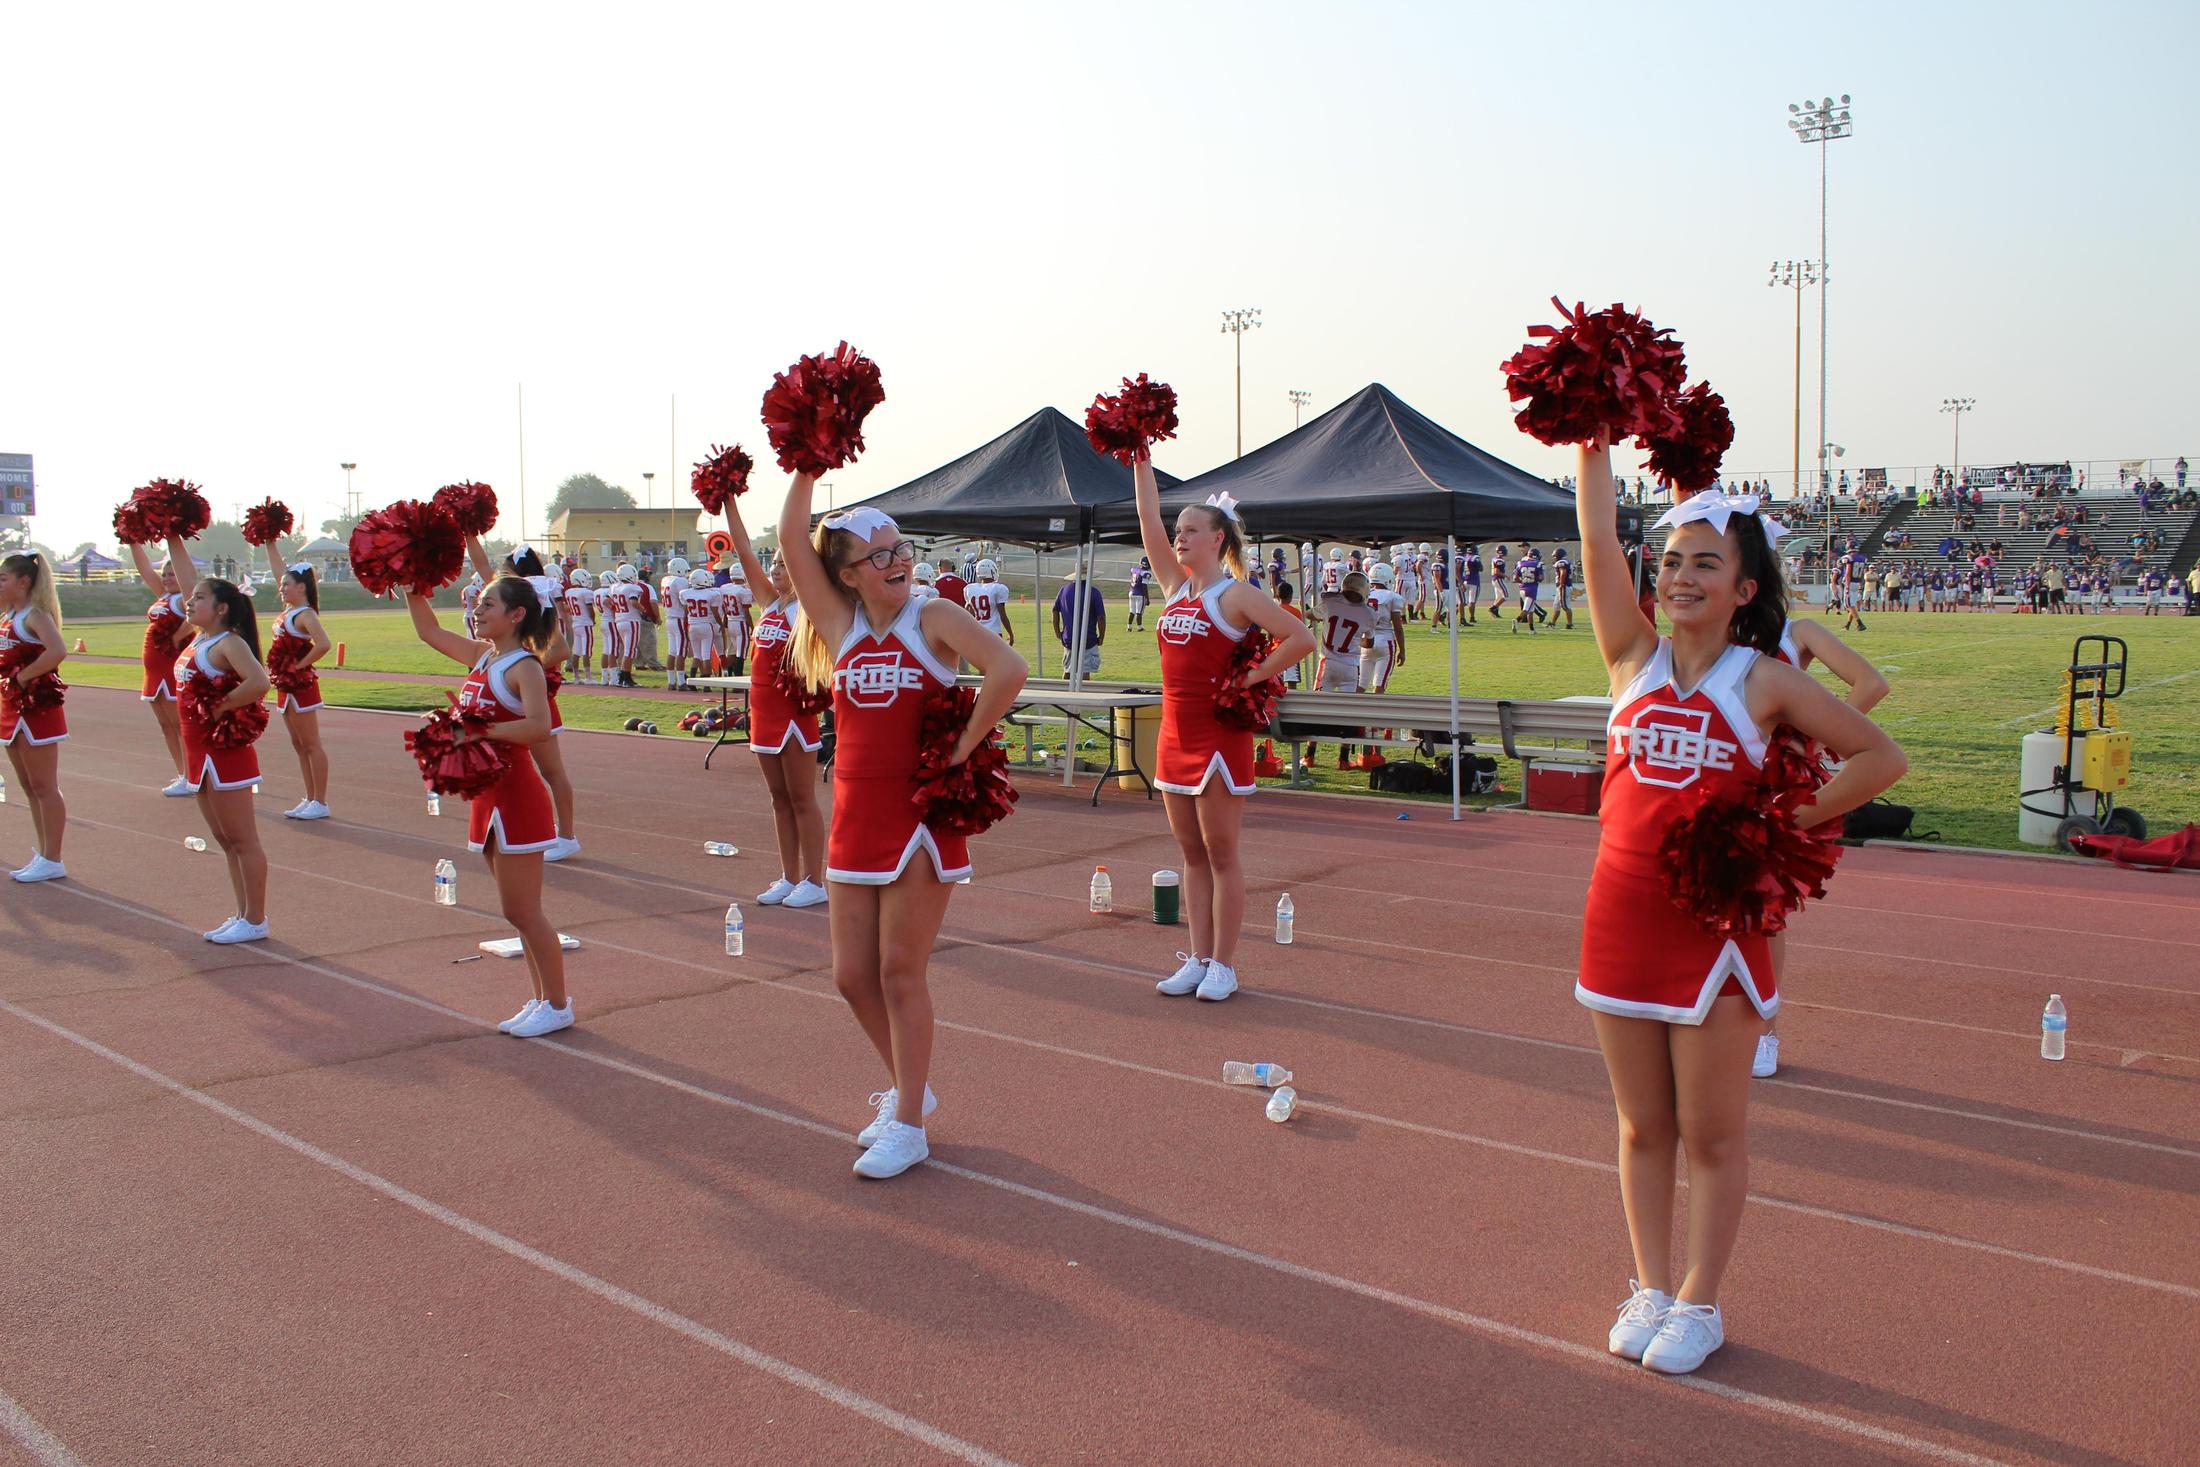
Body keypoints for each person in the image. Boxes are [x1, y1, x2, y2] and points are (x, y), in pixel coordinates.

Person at [1575, 443, 1905, 1376]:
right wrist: (1592, 442)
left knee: (1711, 1130)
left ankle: (1698, 1299)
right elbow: (1596, 535)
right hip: (1619, 918)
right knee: (1641, 1125)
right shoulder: (1628, 659)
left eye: (1704, 563)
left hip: (1717, 932)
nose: (1680, 576)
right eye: (1672, 560)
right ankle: (1646, 1283)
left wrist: (1779, 826)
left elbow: (1879, 757)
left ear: (1745, 586)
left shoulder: (1763, 680)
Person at [776, 480, 1027, 1180]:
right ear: (847, 573)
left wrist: (965, 743)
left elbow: (1008, 668)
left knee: (898, 970)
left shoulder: (933, 615)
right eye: (877, 554)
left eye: (900, 549)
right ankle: (910, 1083)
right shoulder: (840, 624)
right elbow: (793, 537)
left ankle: (910, 1121)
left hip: (918, 818)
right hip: (854, 819)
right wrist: (805, 467)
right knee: (851, 974)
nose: (895, 562)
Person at [1133, 465, 1314, 1005]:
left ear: (1217, 538)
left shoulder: (1236, 595)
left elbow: (1300, 638)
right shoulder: (1174, 587)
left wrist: (1251, 676)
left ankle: (1224, 964)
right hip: (1174, 734)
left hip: (1217, 737)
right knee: (1190, 852)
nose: (1178, 537)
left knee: (1220, 852)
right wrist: (1141, 460)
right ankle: (1197, 956)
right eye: (1177, 530)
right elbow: (1146, 519)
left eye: (1189, 530)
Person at [406, 573, 572, 1037]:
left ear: (516, 615)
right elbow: (428, 632)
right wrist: (409, 580)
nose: (478, 612)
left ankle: (558, 1004)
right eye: (478, 605)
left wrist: (478, 732)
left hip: (517, 796)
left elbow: (539, 727)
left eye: (488, 605)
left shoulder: (525, 667)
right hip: (489, 797)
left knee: (525, 910)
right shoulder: (484, 658)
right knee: (513, 910)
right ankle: (542, 998)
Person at [1751, 614, 1889, 1078]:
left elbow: (1870, 684)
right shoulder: (1707, 627)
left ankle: (1764, 1032)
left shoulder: (1798, 631)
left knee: (1765, 910)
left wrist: (1815, 737)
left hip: (1774, 784)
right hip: (1718, 775)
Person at [723, 499, 826, 910]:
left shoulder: (811, 609)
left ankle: (814, 880)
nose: (776, 570)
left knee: (802, 798)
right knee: (778, 798)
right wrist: (727, 500)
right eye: (776, 565)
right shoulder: (769, 603)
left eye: (784, 564)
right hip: (763, 713)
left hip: (795, 715)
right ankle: (788, 876)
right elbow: (744, 549)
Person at [171, 543, 275, 944]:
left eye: (199, 598)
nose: (190, 602)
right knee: (224, 839)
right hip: (198, 752)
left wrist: (222, 707)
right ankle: (243, 913)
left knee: (242, 838)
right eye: (191, 596)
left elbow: (260, 682)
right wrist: (171, 537)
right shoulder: (198, 640)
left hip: (223, 753)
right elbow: (184, 581)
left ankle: (256, 918)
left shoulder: (228, 642)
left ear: (222, 608)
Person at [469, 543, 581, 862]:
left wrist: (516, 668)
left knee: (551, 771)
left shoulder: (534, 599)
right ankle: (521, 832)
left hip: (532, 697)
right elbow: (482, 568)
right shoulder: (512, 594)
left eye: (504, 572)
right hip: (511, 695)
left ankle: (566, 835)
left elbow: (560, 650)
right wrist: (469, 532)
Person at [1, 552, 70, 882]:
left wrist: (23, 676)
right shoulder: (8, 615)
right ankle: (43, 852)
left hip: (36, 708)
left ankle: (53, 857)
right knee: (28, 785)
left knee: (44, 785)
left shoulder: (35, 615)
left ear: (23, 582)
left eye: (4, 579)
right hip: (12, 708)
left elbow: (58, 650)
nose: (0, 584)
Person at [265, 547, 334, 820]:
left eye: (286, 585)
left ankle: (321, 801)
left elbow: (324, 644)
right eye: (281, 585)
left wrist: (298, 665)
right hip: (285, 685)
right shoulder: (288, 611)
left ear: (302, 587)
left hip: (300, 685)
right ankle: (309, 797)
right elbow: (278, 570)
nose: (281, 588)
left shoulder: (305, 614)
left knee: (311, 743)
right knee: (298, 743)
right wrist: (271, 543)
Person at [126, 540, 196, 794]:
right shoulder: (164, 596)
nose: (166, 578)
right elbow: (145, 570)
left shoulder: (183, 599)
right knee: (166, 725)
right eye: (164, 574)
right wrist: (132, 543)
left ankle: (191, 774)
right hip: (153, 669)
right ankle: (182, 773)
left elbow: (195, 618)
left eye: (171, 573)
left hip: (169, 666)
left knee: (179, 724)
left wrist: (178, 635)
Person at [1052, 568, 1106, 678]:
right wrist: (1101, 637)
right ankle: (1083, 694)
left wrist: (1057, 632)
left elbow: (1055, 611)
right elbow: (1101, 617)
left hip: (1069, 637)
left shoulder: (1064, 590)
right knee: (1085, 671)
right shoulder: (1093, 592)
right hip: (1088, 638)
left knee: (1068, 669)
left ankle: (1062, 693)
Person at [1362, 563, 1406, 691]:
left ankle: (1356, 709)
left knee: (1360, 684)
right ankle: (1374, 710)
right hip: (1385, 642)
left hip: (1366, 641)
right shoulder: (1392, 597)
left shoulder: (1364, 594)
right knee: (1380, 684)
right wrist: (1402, 650)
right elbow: (1398, 627)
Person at [964, 558, 1013, 645]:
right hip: (993, 632)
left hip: (977, 632)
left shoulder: (970, 588)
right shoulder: (998, 588)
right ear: (992, 571)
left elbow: (968, 613)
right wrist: (1010, 634)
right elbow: (1002, 615)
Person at [660, 556, 692, 689]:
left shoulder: (665, 579)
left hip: (669, 617)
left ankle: (671, 681)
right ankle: (681, 681)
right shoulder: (680, 581)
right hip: (678, 618)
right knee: (680, 651)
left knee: (672, 651)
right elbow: (685, 601)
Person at [563, 569, 599, 684]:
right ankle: (588, 677)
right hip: (585, 624)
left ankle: (577, 677)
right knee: (586, 652)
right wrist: (593, 620)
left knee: (576, 651)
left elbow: (568, 608)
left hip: (576, 623)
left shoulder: (569, 592)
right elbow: (590, 609)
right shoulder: (586, 592)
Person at [1513, 545, 1546, 632]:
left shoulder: (1520, 563)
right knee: (1526, 610)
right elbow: (1541, 578)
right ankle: (1516, 620)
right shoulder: (1538, 564)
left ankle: (1531, 629)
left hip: (1522, 589)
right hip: (1531, 589)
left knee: (1530, 610)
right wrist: (1534, 580)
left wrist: (1523, 581)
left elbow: (1515, 578)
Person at [1552, 548, 1577, 629]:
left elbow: (1563, 572)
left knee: (1565, 606)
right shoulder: (1566, 562)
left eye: (1555, 556)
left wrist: (1561, 584)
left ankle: (1570, 624)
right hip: (1564, 586)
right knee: (1556, 606)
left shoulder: (1561, 563)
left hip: (1563, 587)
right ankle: (1552, 623)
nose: (1554, 558)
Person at [1127, 556, 1152, 630]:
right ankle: (1139, 627)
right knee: (1139, 612)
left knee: (1132, 611)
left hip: (1131, 592)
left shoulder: (1134, 570)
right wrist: (1147, 598)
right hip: (1140, 594)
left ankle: (1129, 627)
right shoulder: (1145, 573)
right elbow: (1144, 586)